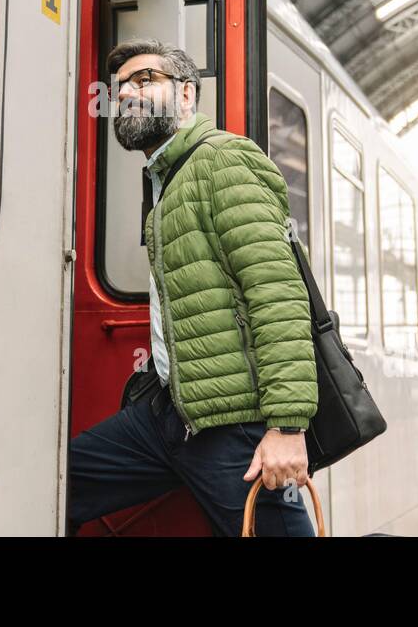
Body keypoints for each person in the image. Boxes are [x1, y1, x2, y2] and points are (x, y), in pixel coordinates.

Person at [67, 38, 318, 536]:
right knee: (54, 481)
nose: (127, 94)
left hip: (235, 425)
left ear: (185, 95)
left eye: (145, 80)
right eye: (120, 87)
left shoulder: (223, 162)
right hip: (170, 418)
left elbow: (277, 295)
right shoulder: (166, 180)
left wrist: (287, 426)